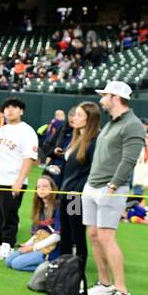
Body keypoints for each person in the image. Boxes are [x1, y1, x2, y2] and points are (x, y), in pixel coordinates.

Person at [83, 81, 145, 295]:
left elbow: (129, 160)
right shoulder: (112, 123)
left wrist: (112, 186)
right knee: (94, 235)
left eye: (105, 95)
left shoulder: (133, 125)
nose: (101, 99)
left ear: (115, 98)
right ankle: (105, 283)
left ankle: (122, 291)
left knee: (107, 237)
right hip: (93, 185)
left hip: (110, 188)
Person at [0, 96, 38, 259]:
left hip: (12, 180)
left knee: (9, 215)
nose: (10, 110)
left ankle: (8, 244)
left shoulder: (27, 131)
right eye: (7, 107)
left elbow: (29, 157)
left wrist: (19, 181)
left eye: (14, 107)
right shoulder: (0, 130)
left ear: (21, 111)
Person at [56, 102, 99, 267]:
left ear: (90, 119)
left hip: (76, 195)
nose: (75, 118)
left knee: (76, 234)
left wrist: (77, 190)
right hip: (67, 193)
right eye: (75, 114)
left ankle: (77, 271)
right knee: (65, 232)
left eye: (80, 115)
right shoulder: (75, 138)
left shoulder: (94, 142)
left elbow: (92, 171)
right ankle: (63, 268)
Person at [5, 177, 60, 271]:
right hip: (39, 244)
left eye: (45, 186)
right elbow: (38, 233)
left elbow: (57, 236)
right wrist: (27, 244)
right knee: (8, 261)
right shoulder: (39, 208)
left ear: (53, 189)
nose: (42, 189)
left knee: (16, 264)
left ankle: (52, 267)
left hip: (53, 248)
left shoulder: (59, 206)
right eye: (39, 187)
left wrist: (33, 248)